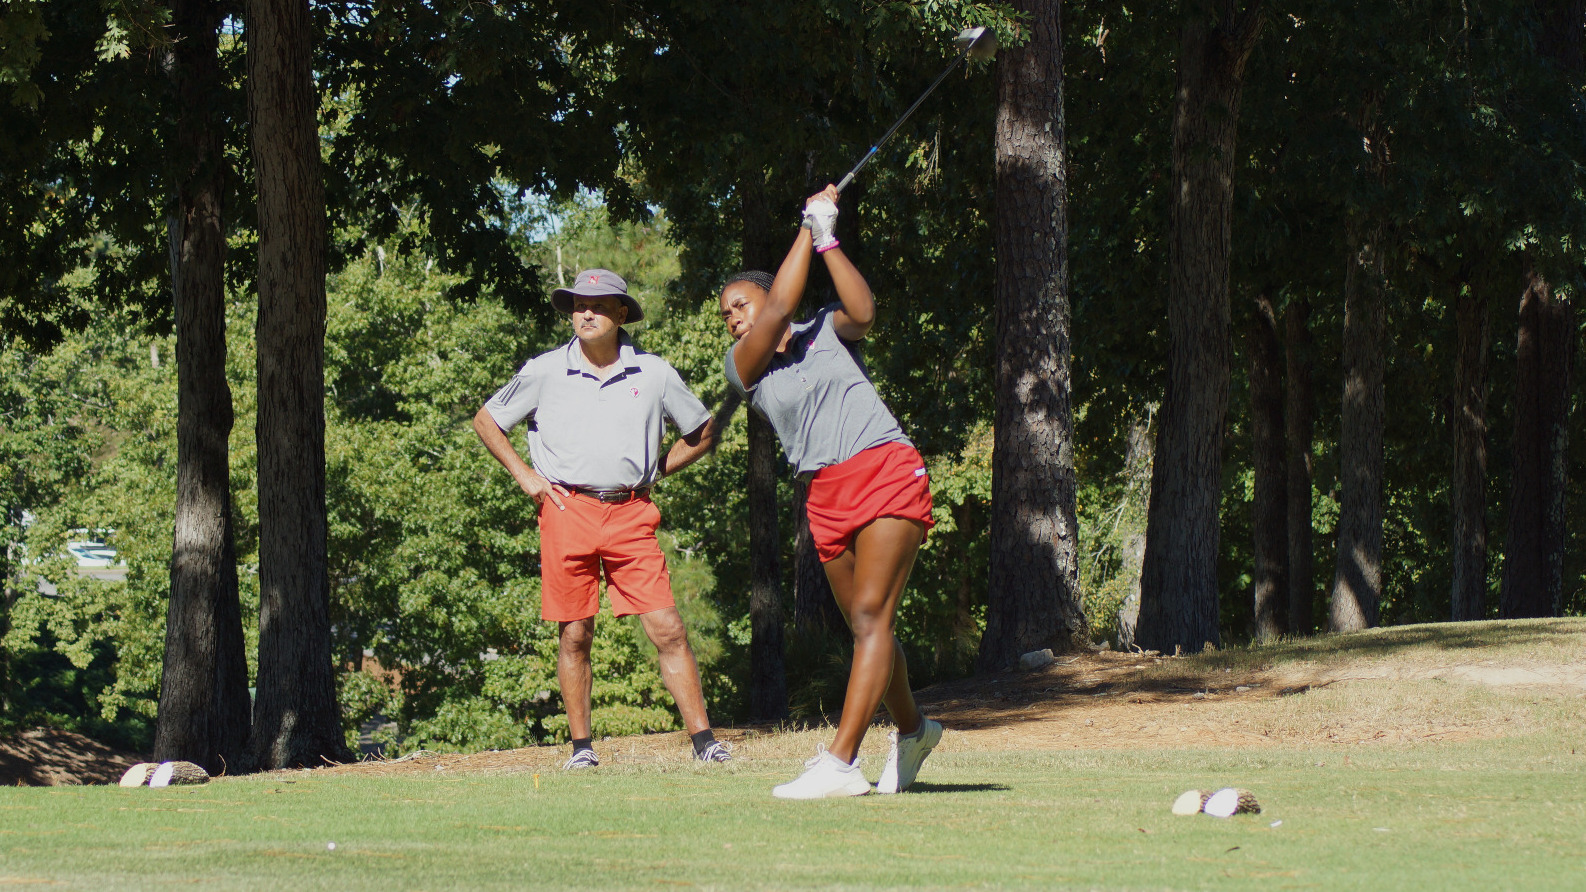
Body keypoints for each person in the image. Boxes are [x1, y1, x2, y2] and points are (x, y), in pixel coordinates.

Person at [719, 186, 942, 798]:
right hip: (825, 495)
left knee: (872, 618)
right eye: (727, 315)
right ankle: (915, 729)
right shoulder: (746, 364)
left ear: (767, 292)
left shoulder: (824, 329)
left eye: (741, 304)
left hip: (885, 466)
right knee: (870, 629)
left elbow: (864, 312)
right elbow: (780, 307)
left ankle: (841, 764)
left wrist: (828, 237)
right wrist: (805, 227)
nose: (735, 318)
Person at [474, 268, 730, 769]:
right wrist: (527, 478)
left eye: (597, 304)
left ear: (620, 313)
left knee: (669, 628)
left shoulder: (653, 372)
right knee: (575, 633)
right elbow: (487, 420)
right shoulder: (544, 370)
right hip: (566, 510)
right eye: (576, 304)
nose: (585, 312)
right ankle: (581, 750)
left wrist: (656, 469)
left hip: (631, 511)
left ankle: (704, 742)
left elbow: (703, 430)